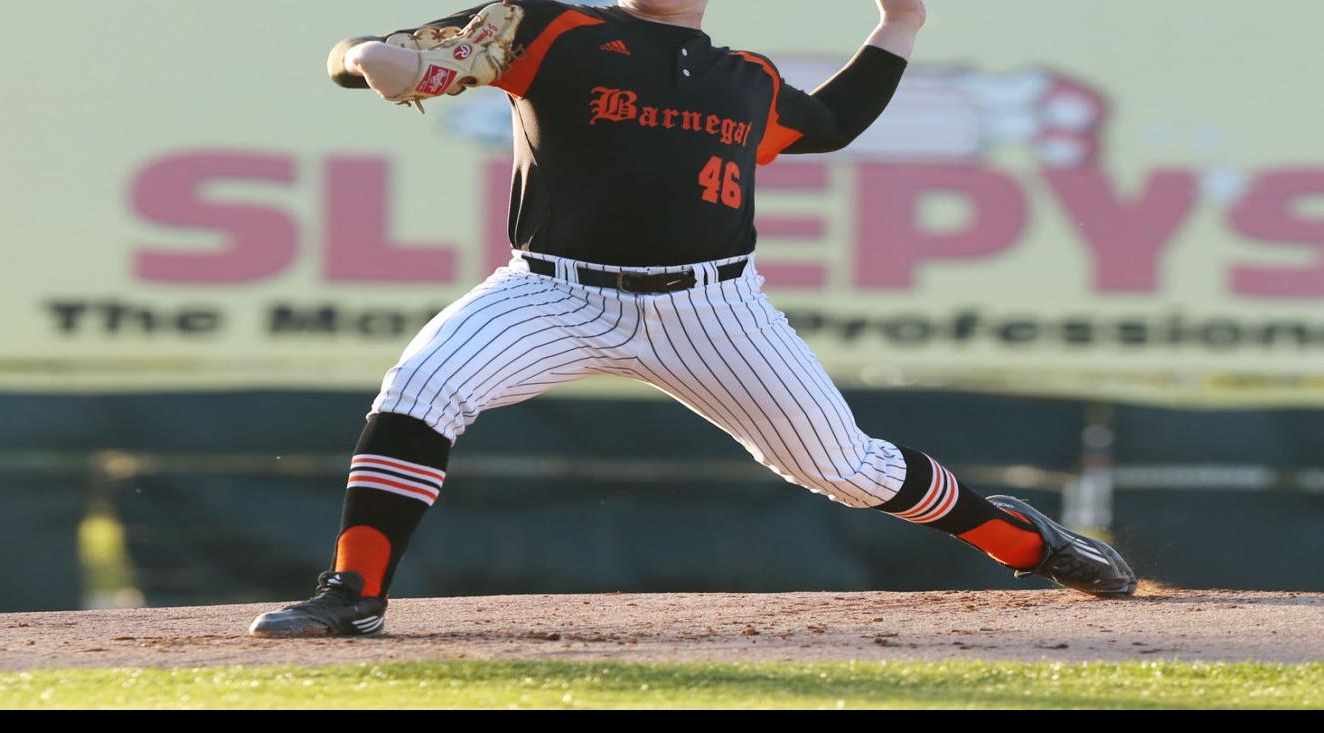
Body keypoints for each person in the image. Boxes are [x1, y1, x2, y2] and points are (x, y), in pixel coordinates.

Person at [250, 0, 1136, 638]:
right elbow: (387, 56)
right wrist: (368, 52)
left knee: (842, 465)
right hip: (552, 290)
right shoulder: (549, 29)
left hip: (709, 305)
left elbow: (825, 124)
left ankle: (1022, 537)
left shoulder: (741, 76)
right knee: (421, 387)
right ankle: (353, 593)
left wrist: (896, 28)